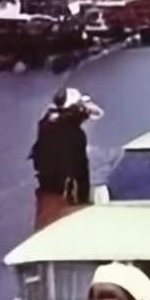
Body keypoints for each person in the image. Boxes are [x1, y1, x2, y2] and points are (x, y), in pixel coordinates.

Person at [30, 87, 104, 230]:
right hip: (64, 195)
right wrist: (83, 200)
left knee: (44, 229)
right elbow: (80, 170)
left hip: (46, 191)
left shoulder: (47, 124)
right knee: (60, 231)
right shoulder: (73, 134)